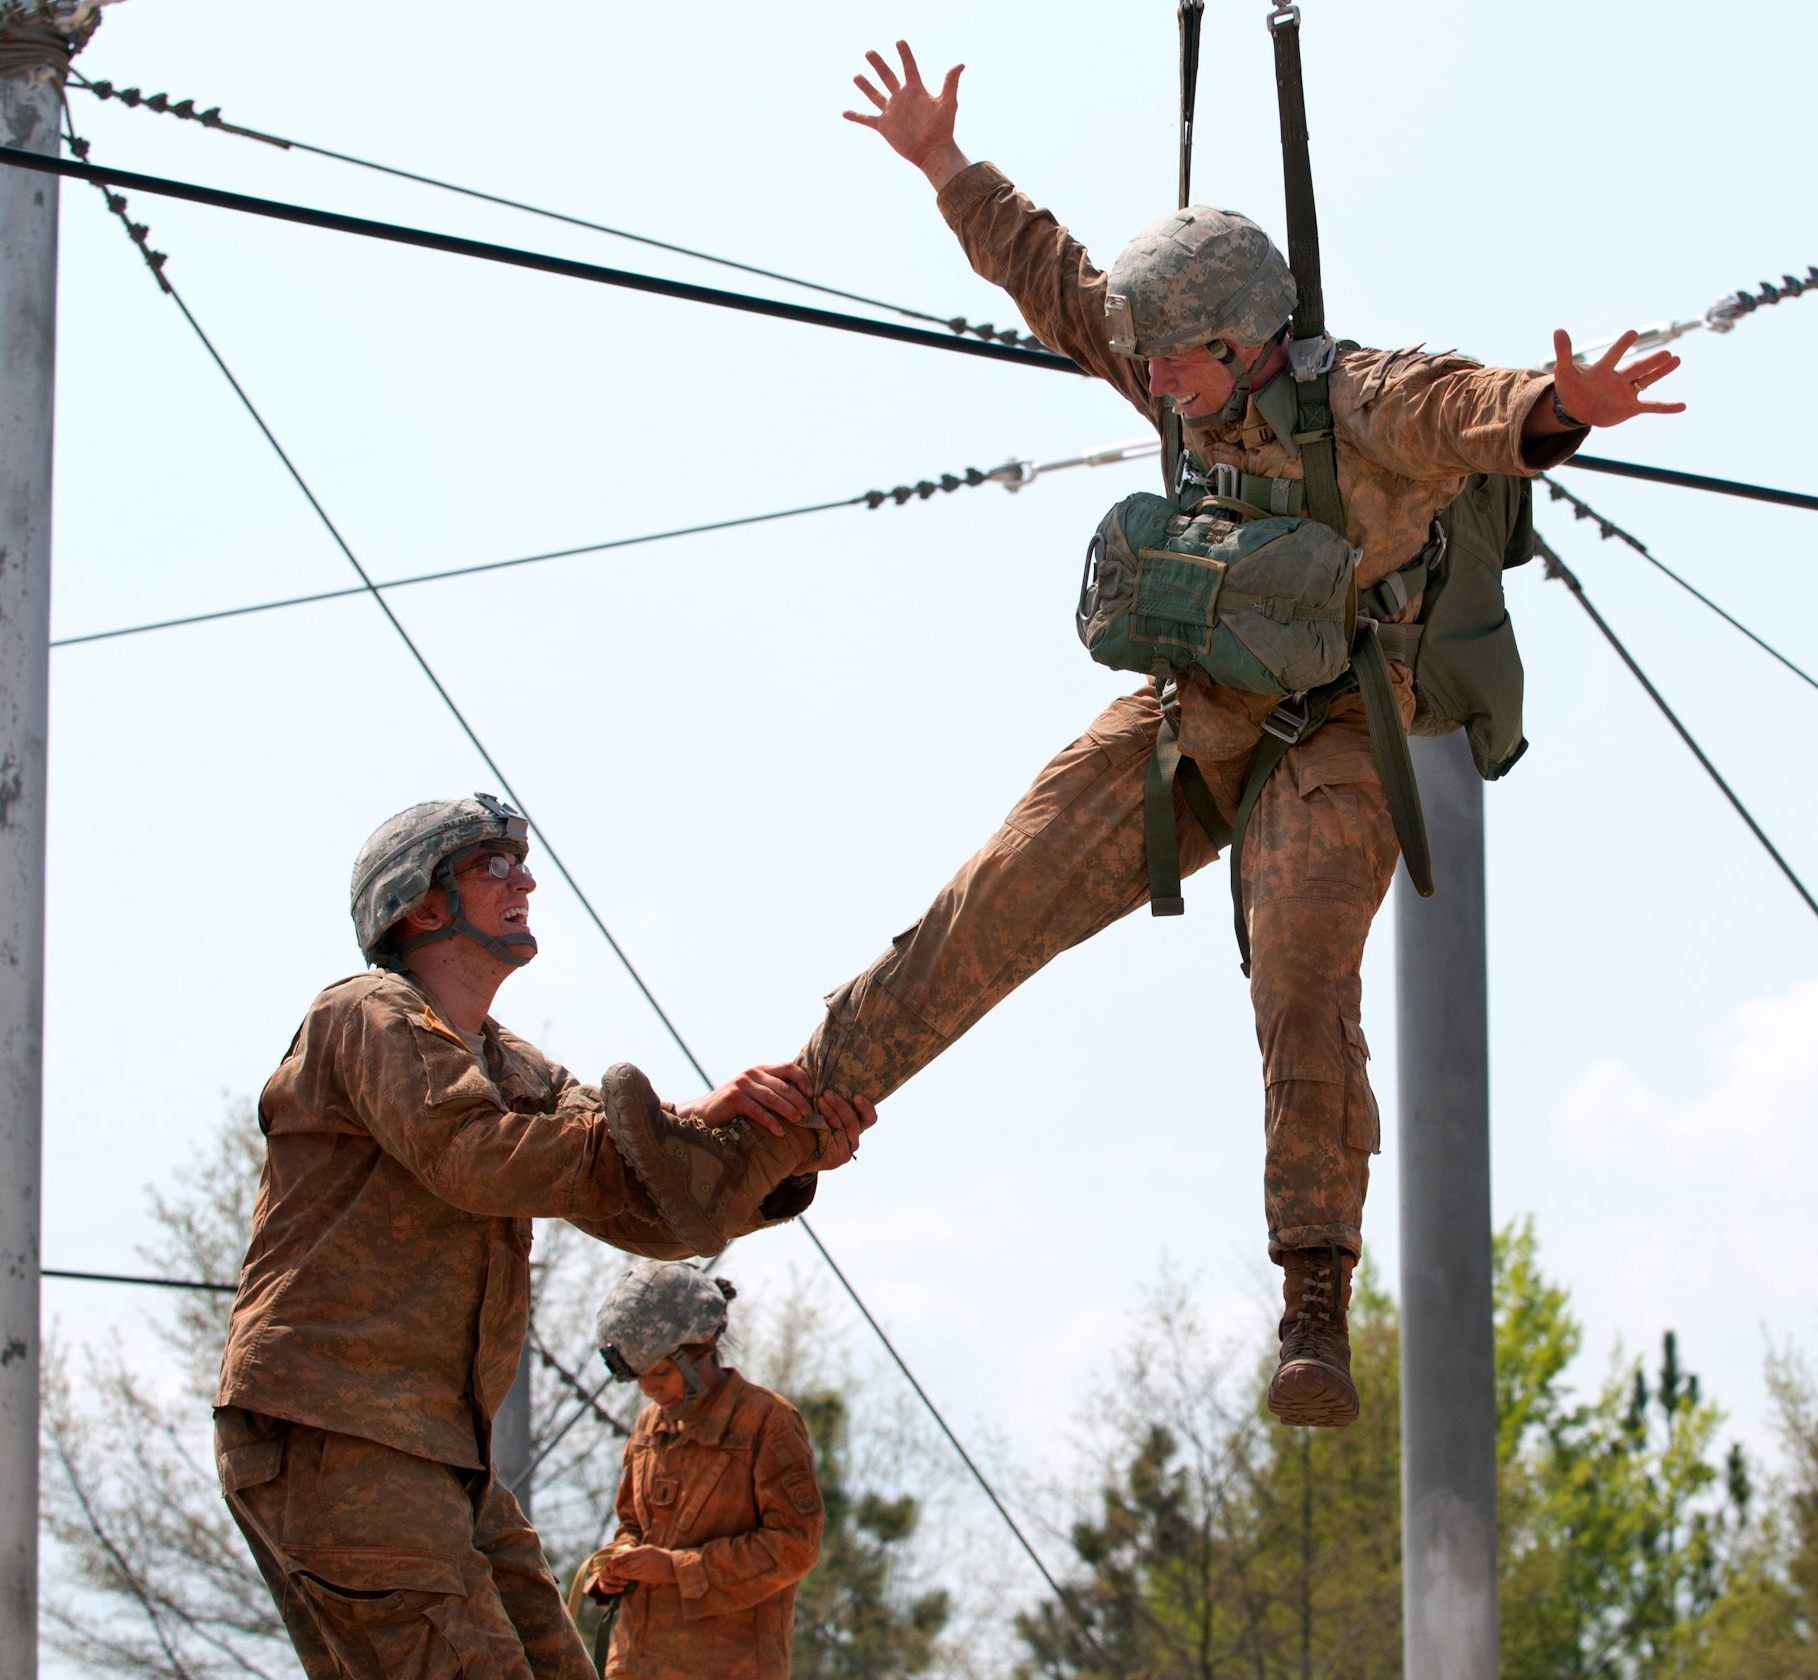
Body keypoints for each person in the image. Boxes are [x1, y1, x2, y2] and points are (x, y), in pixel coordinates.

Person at [812, 43, 1686, 1428]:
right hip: (1196, 701)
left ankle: (1312, 1296)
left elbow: (1465, 405)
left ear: (1242, 344)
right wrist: (940, 164)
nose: (1149, 382)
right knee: (1006, 882)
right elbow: (1051, 274)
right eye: (1146, 360)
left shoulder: (1359, 401)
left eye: (1172, 363)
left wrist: (1559, 409)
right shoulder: (1165, 359)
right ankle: (814, 1097)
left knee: (1298, 974)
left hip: (1348, 723)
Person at [213, 794, 874, 1679]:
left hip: (441, 1452)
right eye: (491, 863)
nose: (525, 877)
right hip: (338, 1426)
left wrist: (774, 1156)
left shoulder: (515, 1067)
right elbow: (473, 1155)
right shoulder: (365, 1013)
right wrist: (689, 1128)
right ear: (419, 903)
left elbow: (642, 1196)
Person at [577, 1263, 825, 1679]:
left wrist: (678, 1569)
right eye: (641, 1378)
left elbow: (795, 1545)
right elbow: (633, 1526)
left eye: (660, 1373)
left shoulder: (766, 1423)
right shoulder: (649, 1426)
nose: (651, 1390)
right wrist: (616, 1567)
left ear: (704, 1347)